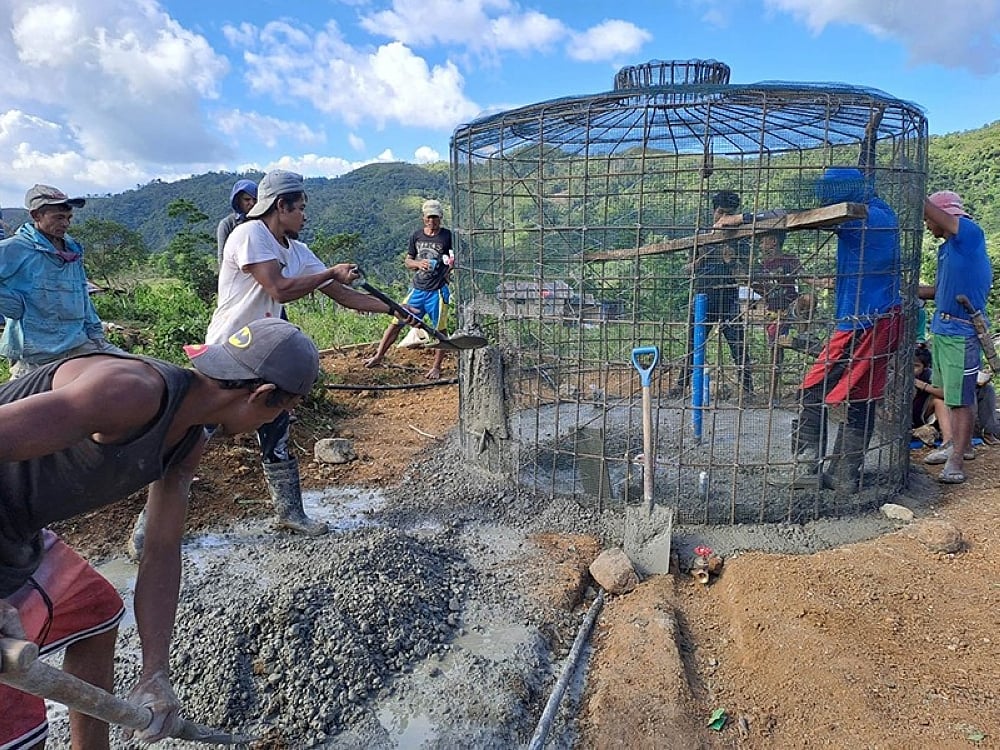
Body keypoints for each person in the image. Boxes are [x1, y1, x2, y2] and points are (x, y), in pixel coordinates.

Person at [0, 317, 320, 749]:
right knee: (18, 727)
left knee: (95, 611)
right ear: (261, 396)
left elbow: (161, 549)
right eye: (285, 409)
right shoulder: (131, 391)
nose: (282, 419)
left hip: (19, 531)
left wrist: (155, 672)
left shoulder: (187, 439)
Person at [202, 169, 400, 537]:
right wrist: (329, 272)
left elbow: (344, 295)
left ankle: (289, 513)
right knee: (196, 433)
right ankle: (147, 530)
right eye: (301, 208)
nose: (305, 216)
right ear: (281, 206)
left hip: (265, 353)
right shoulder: (250, 234)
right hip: (228, 350)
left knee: (276, 424)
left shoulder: (299, 251)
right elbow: (279, 289)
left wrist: (393, 310)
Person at [787, 167, 903, 492]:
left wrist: (744, 218)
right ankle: (844, 474)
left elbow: (801, 218)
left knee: (813, 389)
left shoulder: (862, 218)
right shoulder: (882, 211)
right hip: (882, 316)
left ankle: (808, 467)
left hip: (863, 321)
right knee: (861, 395)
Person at [0, 184, 123, 380]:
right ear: (36, 216)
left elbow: (82, 293)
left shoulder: (72, 249)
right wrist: (13, 305)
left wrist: (96, 334)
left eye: (68, 218)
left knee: (132, 375)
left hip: (77, 343)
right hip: (37, 352)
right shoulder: (15, 248)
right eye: (58, 217)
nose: (65, 223)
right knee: (28, 407)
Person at [918, 190, 992, 483]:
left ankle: (959, 458)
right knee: (949, 393)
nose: (926, 224)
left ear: (943, 215)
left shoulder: (970, 233)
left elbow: (941, 218)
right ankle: (952, 446)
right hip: (944, 327)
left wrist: (916, 194)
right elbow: (938, 291)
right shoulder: (947, 249)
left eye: (928, 218)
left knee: (961, 397)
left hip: (962, 329)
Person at [670, 190, 754, 400]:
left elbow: (747, 275)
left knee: (738, 346)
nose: (724, 217)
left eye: (729, 213)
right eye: (721, 212)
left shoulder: (741, 237)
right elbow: (686, 270)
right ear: (713, 211)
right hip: (703, 298)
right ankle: (682, 386)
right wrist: (701, 260)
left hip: (729, 298)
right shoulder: (702, 235)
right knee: (693, 344)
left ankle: (748, 390)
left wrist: (732, 261)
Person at [364, 199, 454, 380]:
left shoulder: (447, 236)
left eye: (436, 217)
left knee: (439, 330)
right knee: (397, 321)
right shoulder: (417, 236)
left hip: (437, 291)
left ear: (441, 218)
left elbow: (454, 258)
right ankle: (379, 355)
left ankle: (436, 367)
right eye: (429, 217)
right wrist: (419, 264)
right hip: (418, 288)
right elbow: (408, 260)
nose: (432, 221)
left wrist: (448, 269)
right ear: (424, 218)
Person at [216, 178, 258, 264]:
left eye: (255, 200)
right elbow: (222, 257)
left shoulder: (261, 222)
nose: (252, 203)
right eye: (247, 199)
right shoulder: (227, 224)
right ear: (238, 200)